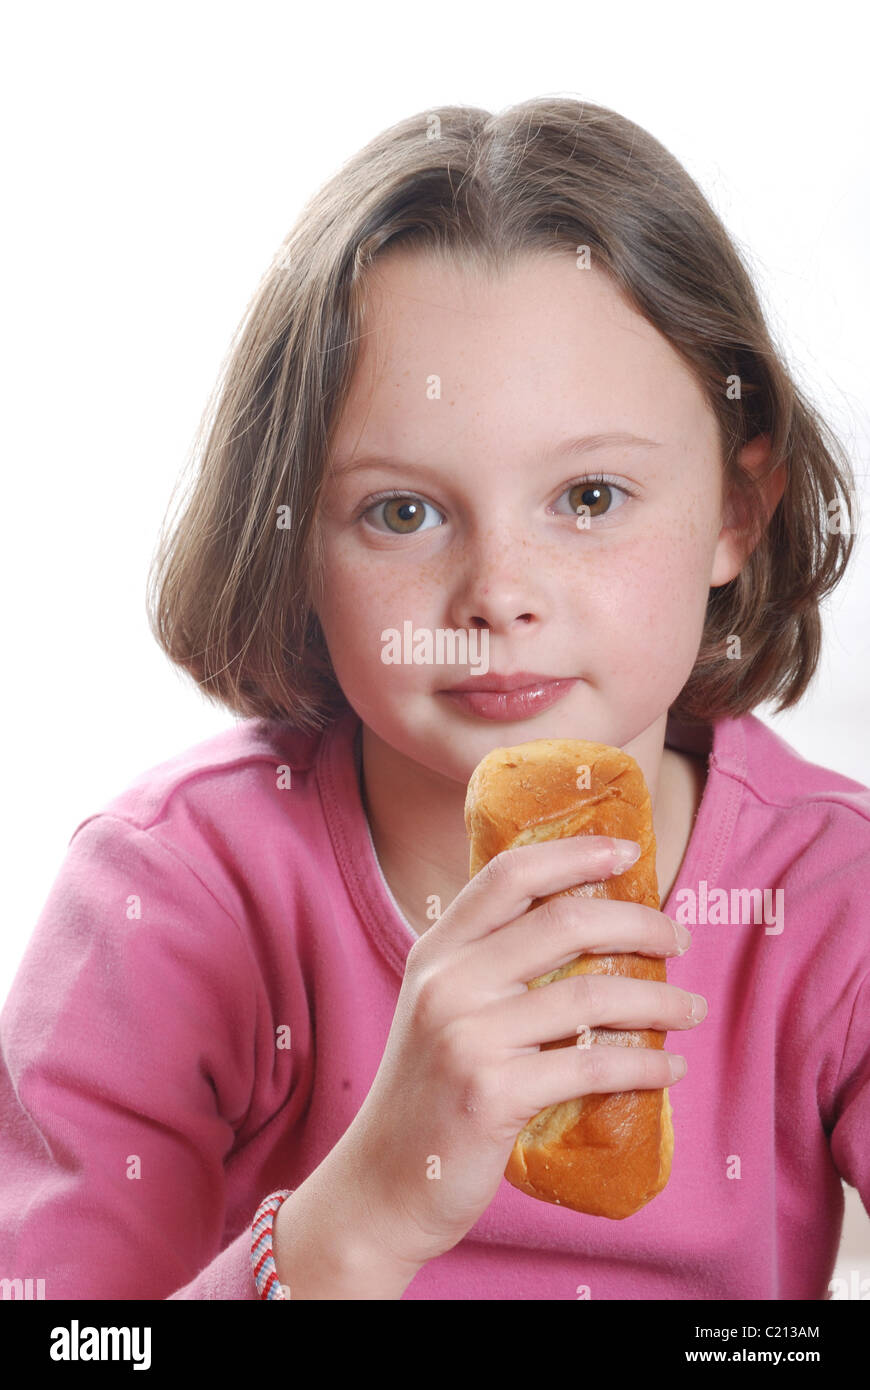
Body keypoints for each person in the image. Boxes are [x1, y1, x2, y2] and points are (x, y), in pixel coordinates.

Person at [1, 97, 867, 1301]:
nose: (499, 593)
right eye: (402, 511)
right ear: (294, 536)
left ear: (738, 506)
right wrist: (356, 1219)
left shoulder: (834, 898)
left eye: (591, 496)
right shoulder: (168, 898)